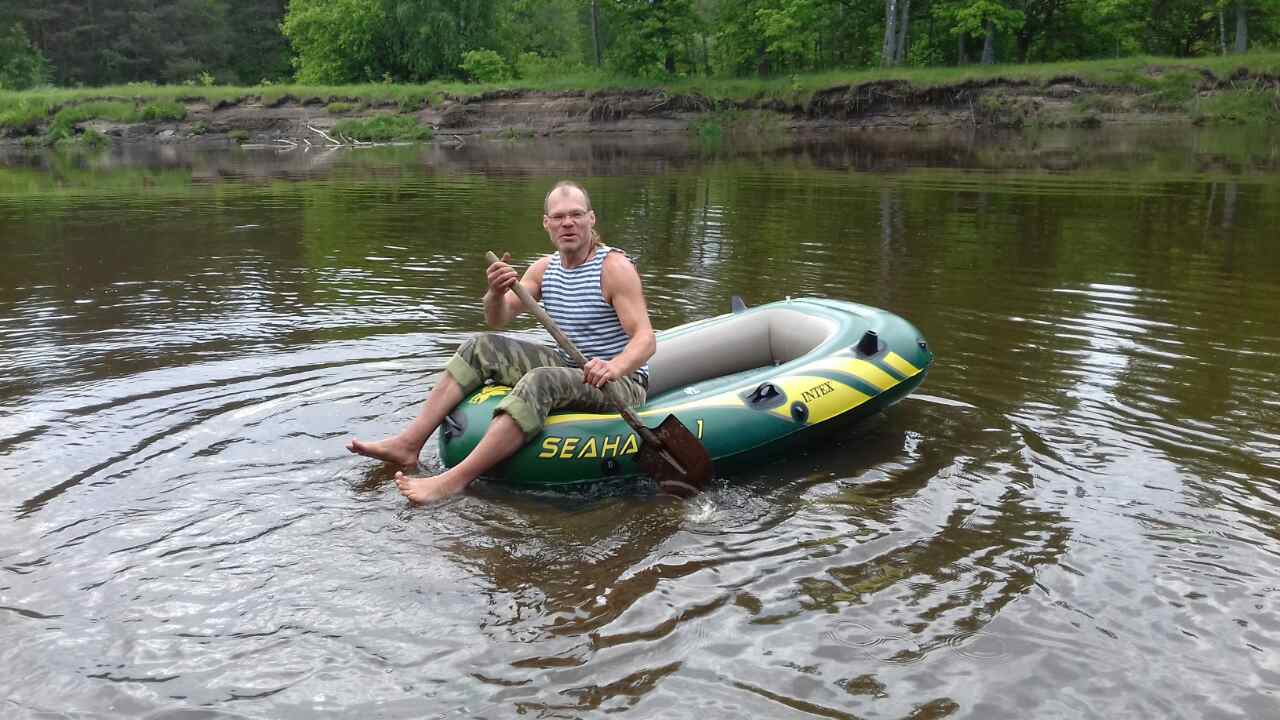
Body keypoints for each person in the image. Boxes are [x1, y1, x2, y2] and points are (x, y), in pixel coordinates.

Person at [347, 180, 656, 503]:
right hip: (572, 366)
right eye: (559, 216)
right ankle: (408, 443)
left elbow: (645, 340)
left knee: (541, 381)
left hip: (621, 383)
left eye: (576, 215)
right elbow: (497, 318)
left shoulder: (614, 268)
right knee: (481, 347)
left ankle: (453, 481)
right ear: (546, 223)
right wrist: (495, 292)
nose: (568, 223)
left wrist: (613, 366)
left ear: (591, 219)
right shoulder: (544, 269)